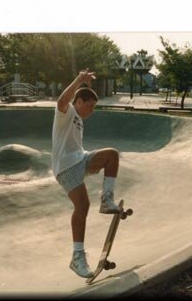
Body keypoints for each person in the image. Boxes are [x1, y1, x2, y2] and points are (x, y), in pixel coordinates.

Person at [53, 69, 122, 278]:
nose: (91, 111)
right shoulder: (67, 113)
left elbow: (76, 146)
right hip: (65, 167)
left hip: (79, 160)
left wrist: (90, 164)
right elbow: (62, 101)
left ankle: (106, 199)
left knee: (112, 155)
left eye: (94, 108)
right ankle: (77, 257)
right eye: (90, 106)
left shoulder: (79, 120)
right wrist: (78, 81)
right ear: (79, 102)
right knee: (82, 206)